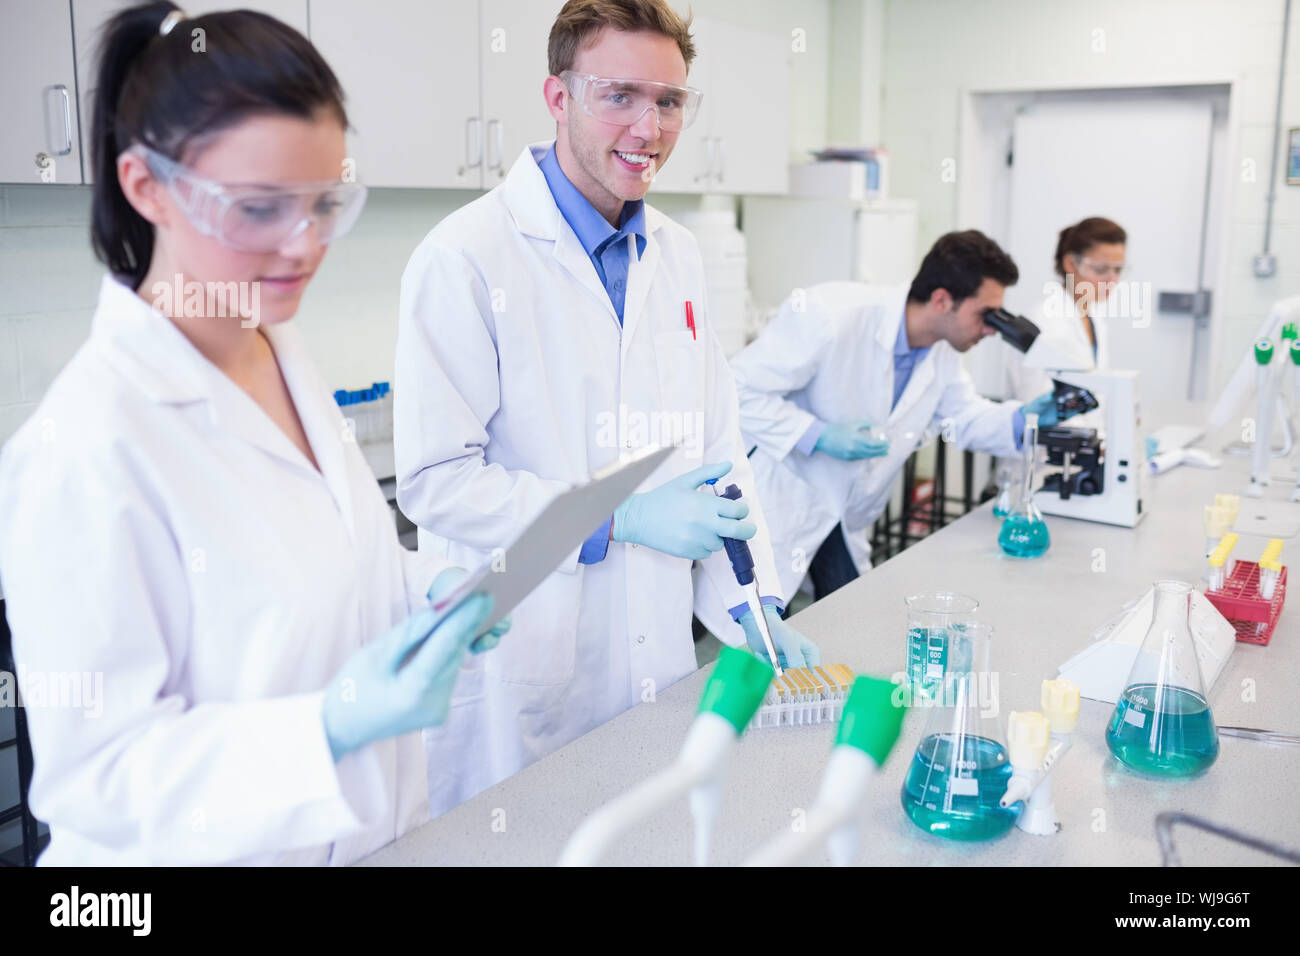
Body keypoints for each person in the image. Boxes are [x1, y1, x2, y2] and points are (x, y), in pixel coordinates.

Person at [0, 1, 506, 865]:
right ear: (145, 186)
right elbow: (100, 779)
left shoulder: (275, 345)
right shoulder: (85, 446)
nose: (303, 244)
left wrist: (419, 594)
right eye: (259, 209)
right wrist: (327, 728)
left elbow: (306, 585)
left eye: (324, 202)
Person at [395, 0, 820, 812]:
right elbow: (437, 483)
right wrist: (615, 519)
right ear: (558, 98)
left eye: (668, 101)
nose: (649, 128)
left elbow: (718, 449)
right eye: (619, 95)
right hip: (521, 668)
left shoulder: (679, 255)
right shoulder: (465, 258)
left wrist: (751, 600)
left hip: (651, 662)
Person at [730, 231, 1081, 602]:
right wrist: (817, 434)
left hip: (844, 517)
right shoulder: (832, 314)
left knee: (849, 620)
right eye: (985, 315)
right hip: (784, 502)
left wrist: (1025, 417)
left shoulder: (941, 352)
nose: (993, 330)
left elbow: (962, 419)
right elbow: (737, 388)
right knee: (752, 639)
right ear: (942, 300)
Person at [1004, 216, 1127, 402]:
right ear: (1070, 264)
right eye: (1102, 269)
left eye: (1117, 270)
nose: (1113, 280)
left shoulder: (1093, 316)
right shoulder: (1043, 323)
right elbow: (1037, 407)